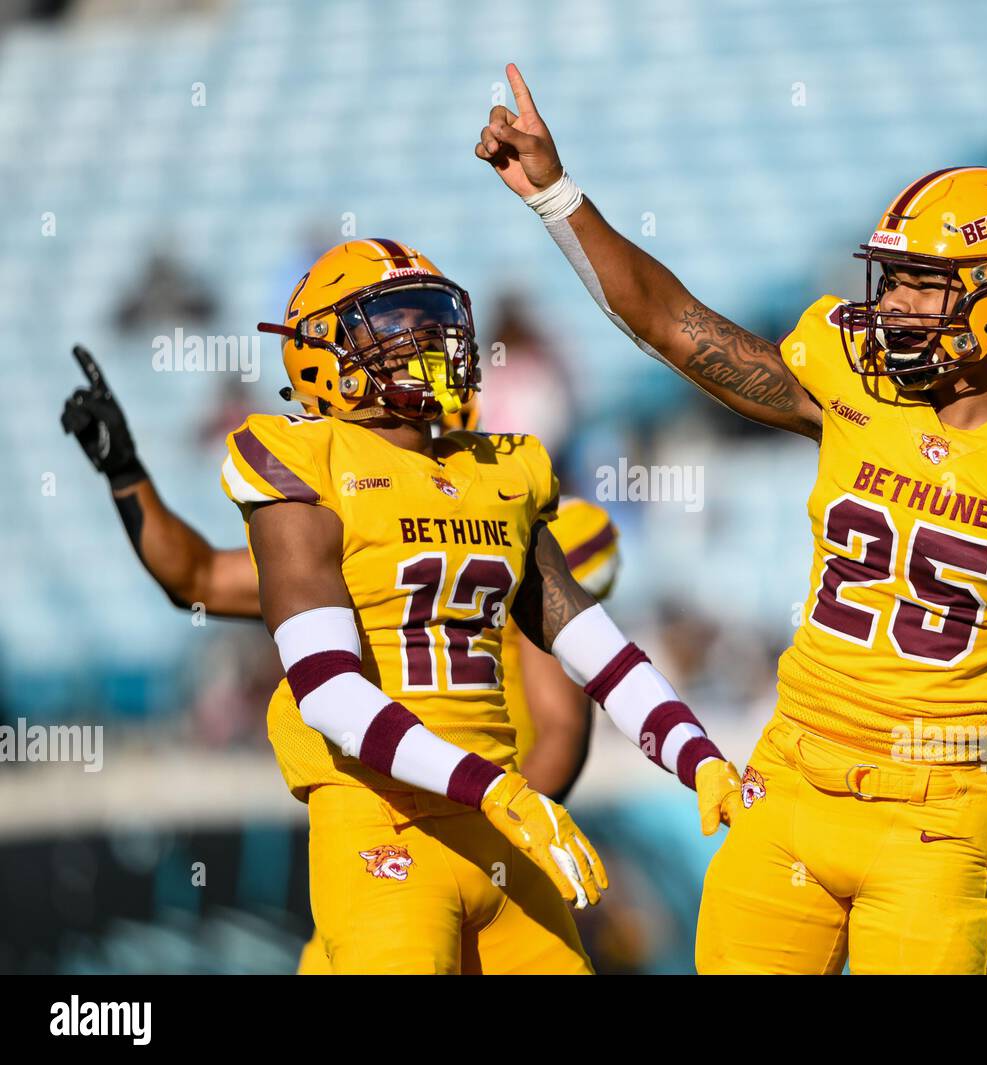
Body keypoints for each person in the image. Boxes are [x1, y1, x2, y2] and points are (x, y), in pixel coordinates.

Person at [476, 67, 987, 975]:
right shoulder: (857, 387)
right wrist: (555, 195)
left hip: (938, 806)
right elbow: (671, 321)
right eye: (892, 280)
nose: (890, 305)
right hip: (789, 781)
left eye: (924, 286)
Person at [68, 237, 742, 973]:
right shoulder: (307, 464)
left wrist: (696, 753)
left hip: (500, 819)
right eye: (398, 323)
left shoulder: (501, 470)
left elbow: (593, 648)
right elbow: (323, 687)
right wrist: (127, 471)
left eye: (437, 317)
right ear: (323, 353)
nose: (434, 338)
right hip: (384, 819)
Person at [62, 349, 621, 973]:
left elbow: (562, 727)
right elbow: (196, 578)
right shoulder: (351, 535)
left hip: (483, 835)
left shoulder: (517, 526)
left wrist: (502, 817)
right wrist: (125, 473)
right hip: (381, 836)